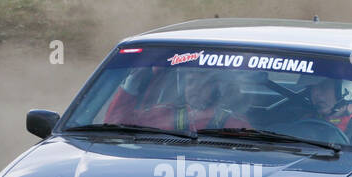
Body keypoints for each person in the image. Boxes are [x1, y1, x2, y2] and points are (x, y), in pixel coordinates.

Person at [104, 67, 248, 131]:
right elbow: (113, 125)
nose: (195, 89)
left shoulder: (235, 124)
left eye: (203, 84)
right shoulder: (162, 114)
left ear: (217, 88)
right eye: (191, 82)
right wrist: (131, 84)